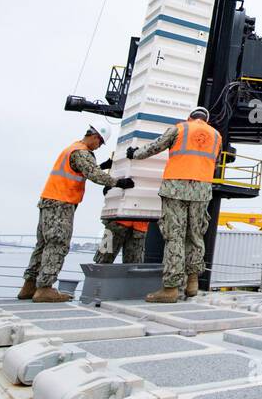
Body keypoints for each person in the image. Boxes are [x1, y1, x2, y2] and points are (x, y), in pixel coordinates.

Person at [19, 124, 133, 302]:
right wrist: (118, 183)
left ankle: (29, 285)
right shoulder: (81, 152)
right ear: (95, 137)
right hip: (61, 204)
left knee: (43, 245)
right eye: (100, 143)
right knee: (57, 243)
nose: (98, 146)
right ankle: (45, 288)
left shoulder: (72, 148)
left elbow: (81, 170)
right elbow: (93, 174)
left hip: (49, 201)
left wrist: (103, 165)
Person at [125, 105, 221, 302]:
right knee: (195, 235)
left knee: (174, 236)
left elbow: (155, 147)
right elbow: (215, 162)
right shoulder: (216, 136)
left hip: (176, 186)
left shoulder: (179, 129)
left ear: (190, 117)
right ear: (206, 120)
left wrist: (134, 153)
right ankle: (192, 282)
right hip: (202, 189)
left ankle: (170, 288)